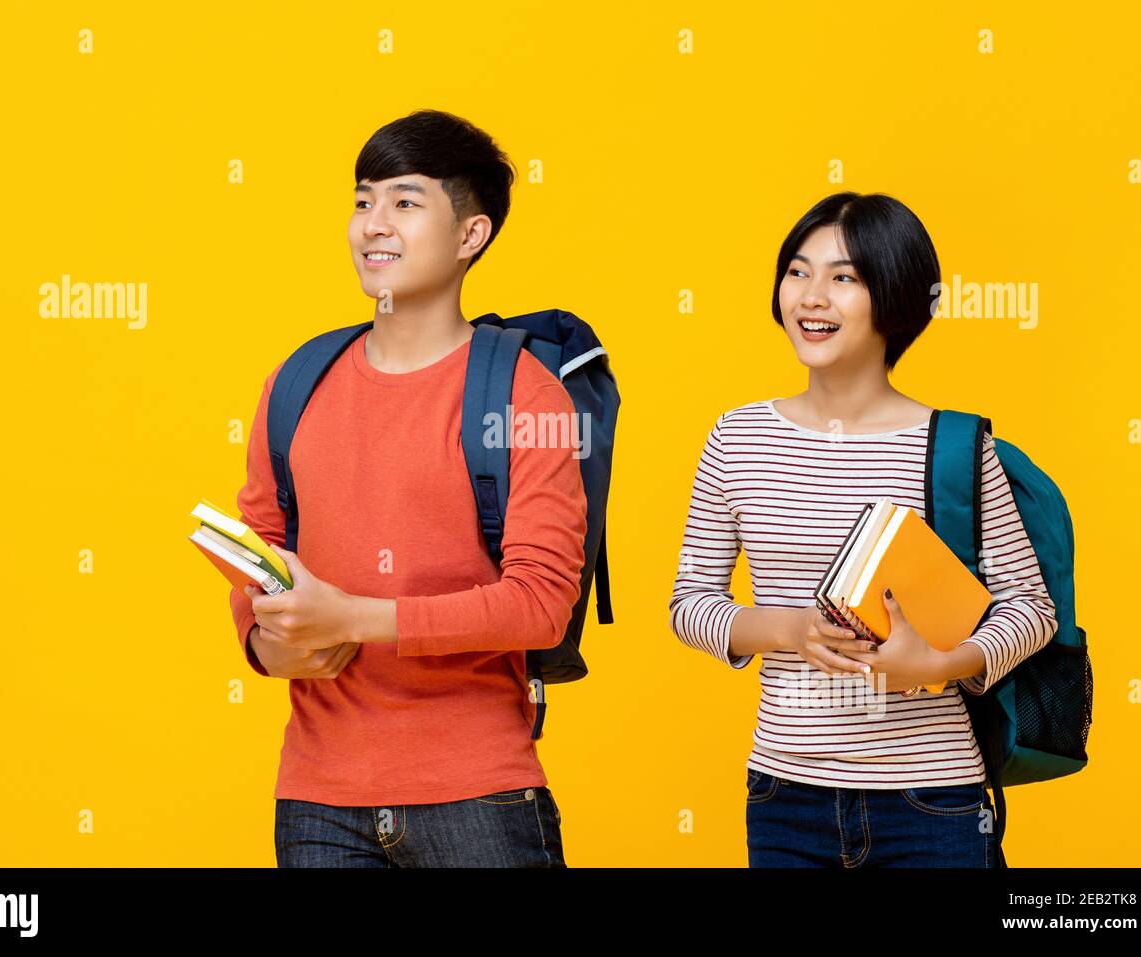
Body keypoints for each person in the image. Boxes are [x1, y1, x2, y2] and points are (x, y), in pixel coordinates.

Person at [228, 110, 587, 867]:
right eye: (362, 201)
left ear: (470, 235)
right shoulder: (295, 383)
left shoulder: (528, 394)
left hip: (479, 801)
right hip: (317, 801)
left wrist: (352, 615)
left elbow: (542, 604)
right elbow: (258, 545)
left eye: (405, 200)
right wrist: (267, 645)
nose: (372, 224)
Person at [667, 192, 1058, 868]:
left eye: (844, 277)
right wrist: (787, 629)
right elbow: (689, 602)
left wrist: (941, 664)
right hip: (783, 798)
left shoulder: (955, 447)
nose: (812, 296)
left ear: (896, 297)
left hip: (932, 798)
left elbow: (1032, 607)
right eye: (798, 270)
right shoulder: (737, 438)